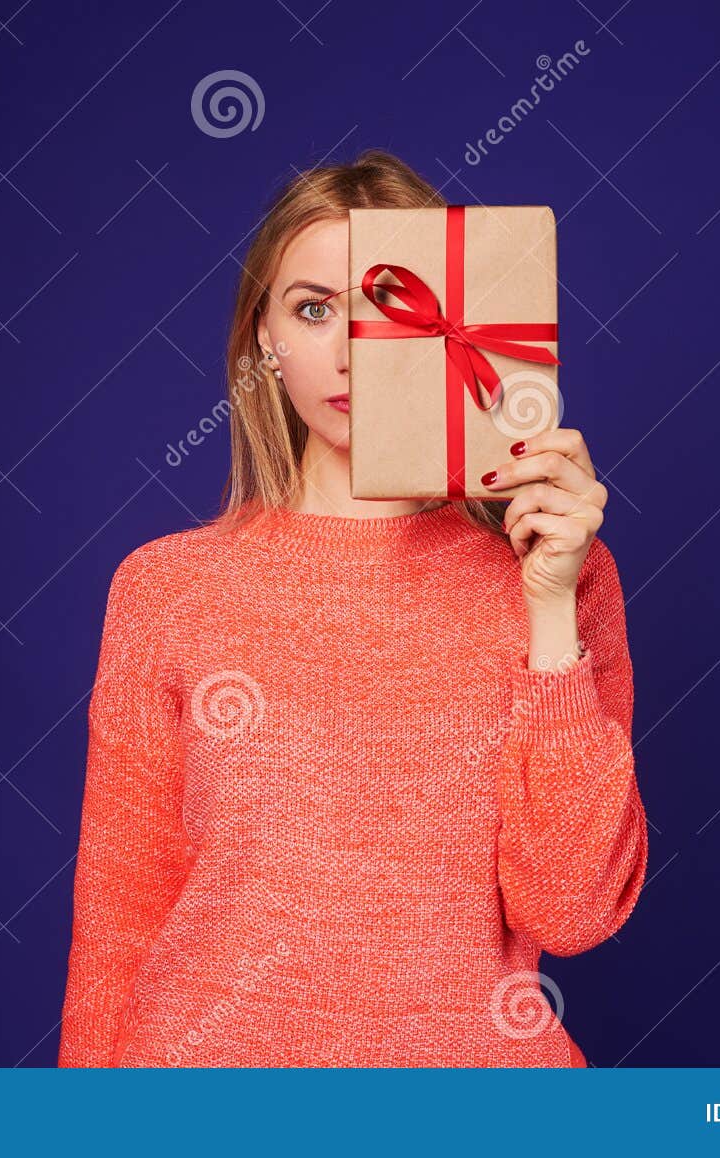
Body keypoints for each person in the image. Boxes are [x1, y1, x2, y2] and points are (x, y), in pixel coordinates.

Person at [57, 149, 647, 1067]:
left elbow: (570, 909)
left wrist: (550, 608)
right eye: (314, 308)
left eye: (386, 304)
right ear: (265, 337)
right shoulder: (166, 590)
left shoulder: (556, 574)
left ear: (460, 325)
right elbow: (118, 922)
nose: (349, 348)